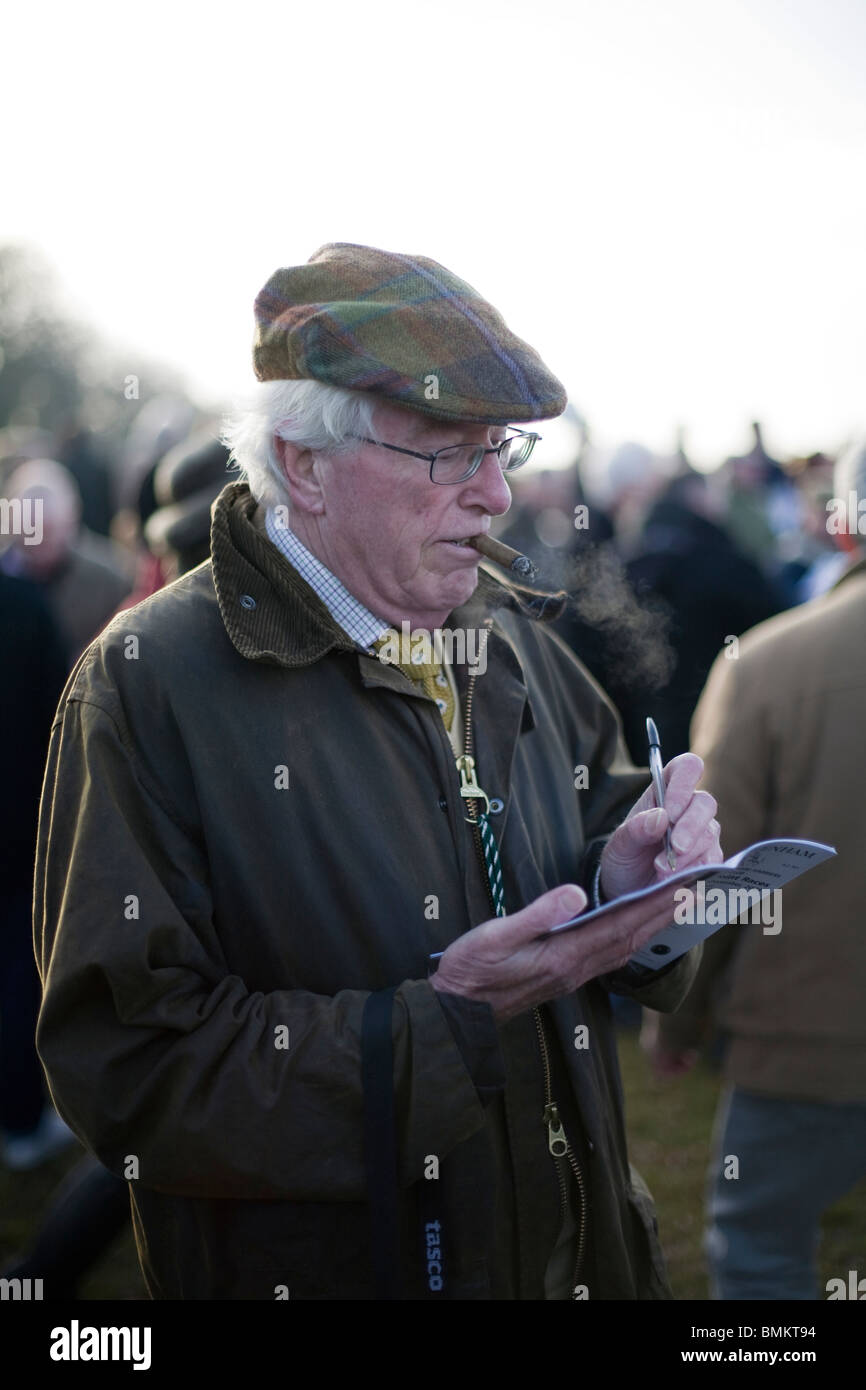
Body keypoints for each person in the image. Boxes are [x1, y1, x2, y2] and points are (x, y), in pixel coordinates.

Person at [34, 242, 721, 1301]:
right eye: (448, 452)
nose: (495, 494)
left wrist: (627, 879)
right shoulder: (148, 683)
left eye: (502, 447)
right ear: (303, 462)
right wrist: (441, 1023)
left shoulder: (508, 636)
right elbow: (129, 1071)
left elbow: (588, 821)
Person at [642, 438, 866, 1300]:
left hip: (803, 1038)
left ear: (841, 529)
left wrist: (678, 1019)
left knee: (760, 1247)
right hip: (802, 1033)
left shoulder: (768, 664)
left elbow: (714, 875)